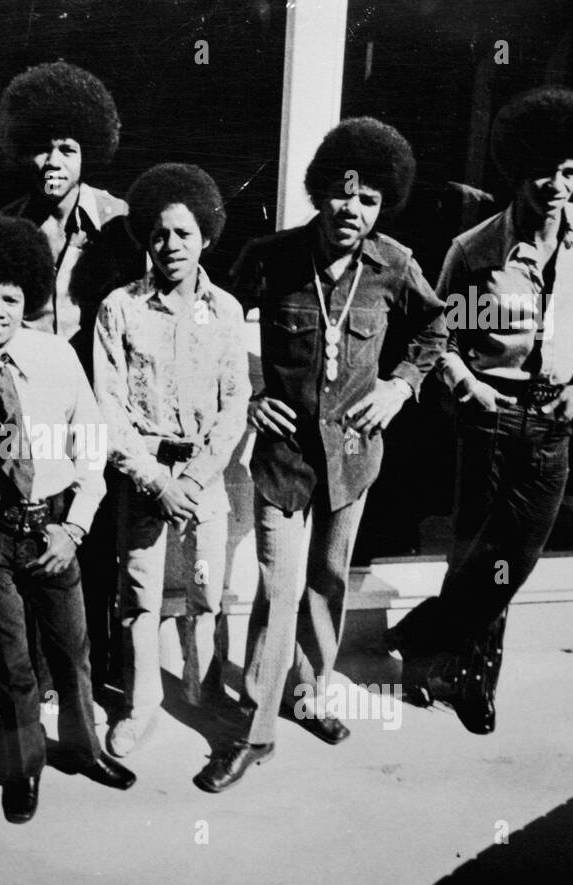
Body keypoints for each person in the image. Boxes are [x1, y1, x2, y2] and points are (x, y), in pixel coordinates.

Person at [201, 118, 448, 793]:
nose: (353, 209)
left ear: (382, 206)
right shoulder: (269, 255)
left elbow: (436, 324)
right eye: (344, 193)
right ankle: (257, 726)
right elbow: (217, 320)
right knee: (278, 589)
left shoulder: (394, 264)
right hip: (283, 458)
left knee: (327, 583)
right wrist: (250, 393)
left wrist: (401, 386)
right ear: (321, 191)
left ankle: (308, 694)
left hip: (354, 457)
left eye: (370, 199)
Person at [384, 87, 573, 734]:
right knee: (476, 554)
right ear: (517, 171)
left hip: (556, 419)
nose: (556, 185)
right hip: (489, 417)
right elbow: (439, 336)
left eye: (570, 171)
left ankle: (420, 634)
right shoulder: (475, 249)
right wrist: (467, 384)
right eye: (543, 170)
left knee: (517, 557)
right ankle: (474, 681)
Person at [0, 215, 136, 823]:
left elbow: (91, 450)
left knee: (74, 651)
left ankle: (83, 748)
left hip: (54, 526)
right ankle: (24, 767)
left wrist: (73, 529)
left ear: (29, 299)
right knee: (13, 662)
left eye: (9, 298)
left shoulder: (57, 359)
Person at [94, 164, 251, 757]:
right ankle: (140, 705)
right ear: (145, 237)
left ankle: (204, 694)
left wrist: (193, 478)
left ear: (207, 235)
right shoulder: (121, 309)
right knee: (140, 597)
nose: (171, 246)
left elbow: (235, 404)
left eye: (185, 234)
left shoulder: (227, 311)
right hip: (144, 481)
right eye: (160, 234)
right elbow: (108, 407)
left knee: (206, 592)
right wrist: (156, 480)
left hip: (204, 481)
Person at [0, 60, 141, 701]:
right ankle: (49, 674)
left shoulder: (122, 223)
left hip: (102, 407)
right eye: (39, 146)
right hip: (33, 411)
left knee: (101, 537)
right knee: (38, 536)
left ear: (89, 150)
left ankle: (103, 669)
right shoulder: (9, 227)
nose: (50, 160)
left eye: (66, 146)